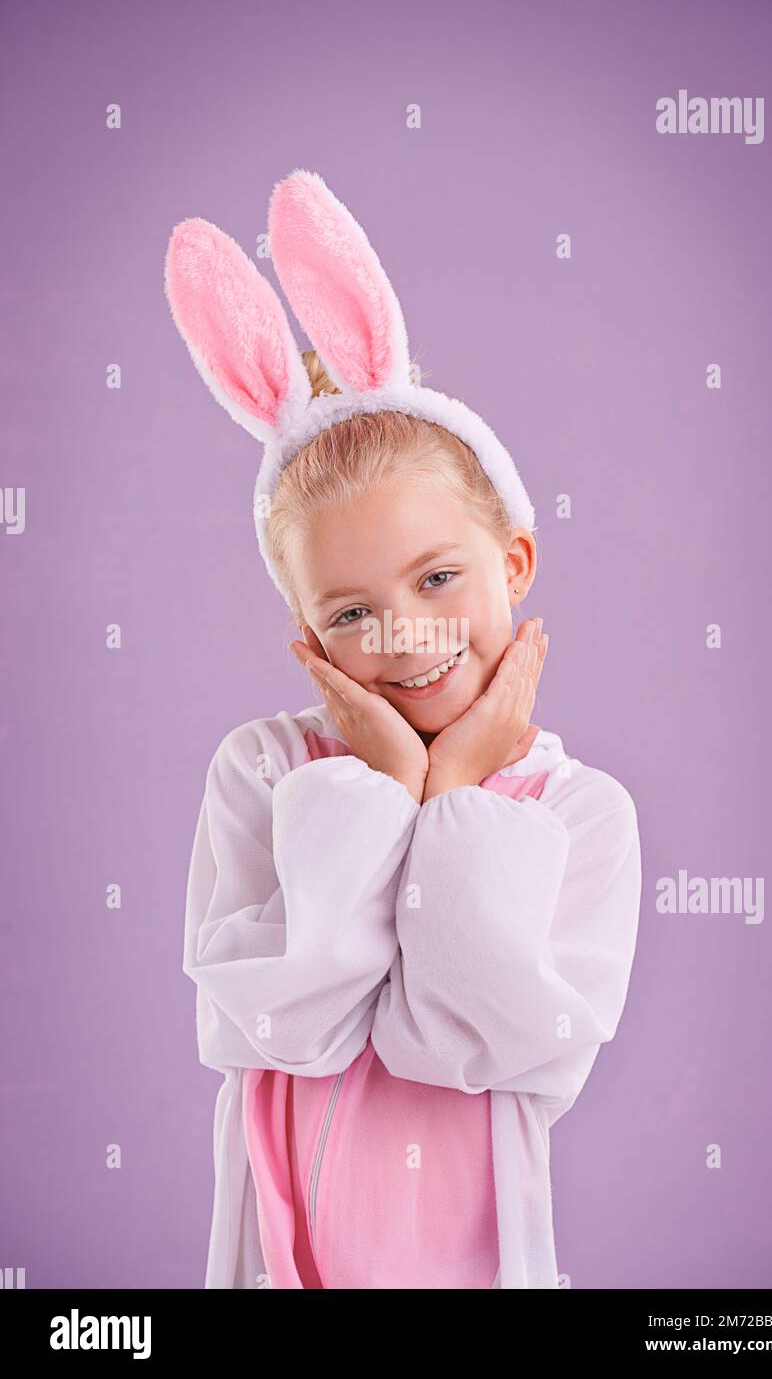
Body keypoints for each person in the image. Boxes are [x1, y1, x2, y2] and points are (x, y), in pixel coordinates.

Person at [167, 170, 643, 1289]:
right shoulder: (264, 770)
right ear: (306, 631)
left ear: (513, 560)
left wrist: (459, 799)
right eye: (349, 612)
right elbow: (284, 1025)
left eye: (438, 576)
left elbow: (474, 1046)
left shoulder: (579, 814)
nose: (403, 632)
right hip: (281, 1256)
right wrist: (380, 784)